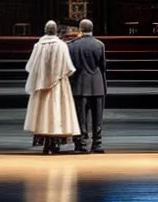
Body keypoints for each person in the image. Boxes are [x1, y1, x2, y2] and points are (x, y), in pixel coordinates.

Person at [24, 20, 80, 153]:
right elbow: (69, 67)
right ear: (56, 31)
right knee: (57, 111)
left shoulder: (38, 45)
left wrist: (43, 76)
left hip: (41, 85)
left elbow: (30, 66)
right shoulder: (61, 45)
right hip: (58, 85)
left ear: (45, 30)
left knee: (43, 112)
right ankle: (54, 143)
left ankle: (46, 144)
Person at [67, 18, 108, 153]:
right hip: (97, 84)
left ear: (80, 29)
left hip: (79, 84)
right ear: (92, 29)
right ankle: (97, 143)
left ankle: (81, 144)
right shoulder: (99, 45)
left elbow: (71, 66)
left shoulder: (72, 45)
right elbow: (103, 66)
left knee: (81, 117)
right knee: (97, 116)